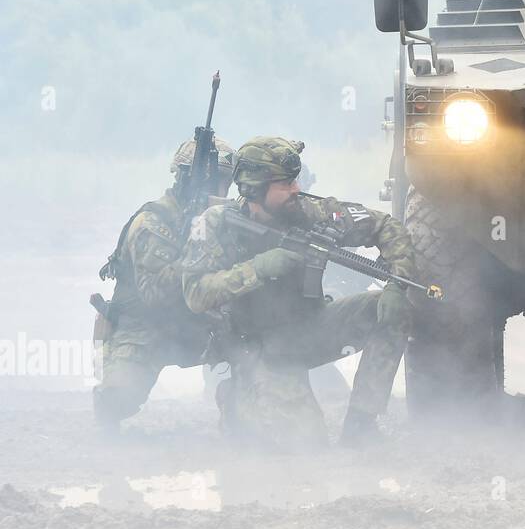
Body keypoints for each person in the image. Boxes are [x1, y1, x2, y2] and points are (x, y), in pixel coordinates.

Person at [180, 136, 420, 449]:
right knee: (305, 445)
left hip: (310, 329)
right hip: (259, 349)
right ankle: (237, 400)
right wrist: (260, 268)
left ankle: (361, 426)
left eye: (294, 180)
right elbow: (196, 294)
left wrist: (397, 282)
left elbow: (385, 226)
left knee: (394, 309)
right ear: (253, 189)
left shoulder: (312, 212)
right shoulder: (215, 225)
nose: (295, 189)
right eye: (284, 184)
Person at [93, 138, 234, 433]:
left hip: (200, 322)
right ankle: (108, 396)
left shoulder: (225, 221)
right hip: (145, 327)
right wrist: (203, 248)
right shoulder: (153, 223)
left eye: (226, 183)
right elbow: (155, 294)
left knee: (256, 345)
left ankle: (238, 404)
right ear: (186, 180)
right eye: (213, 183)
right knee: (120, 398)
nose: (221, 192)